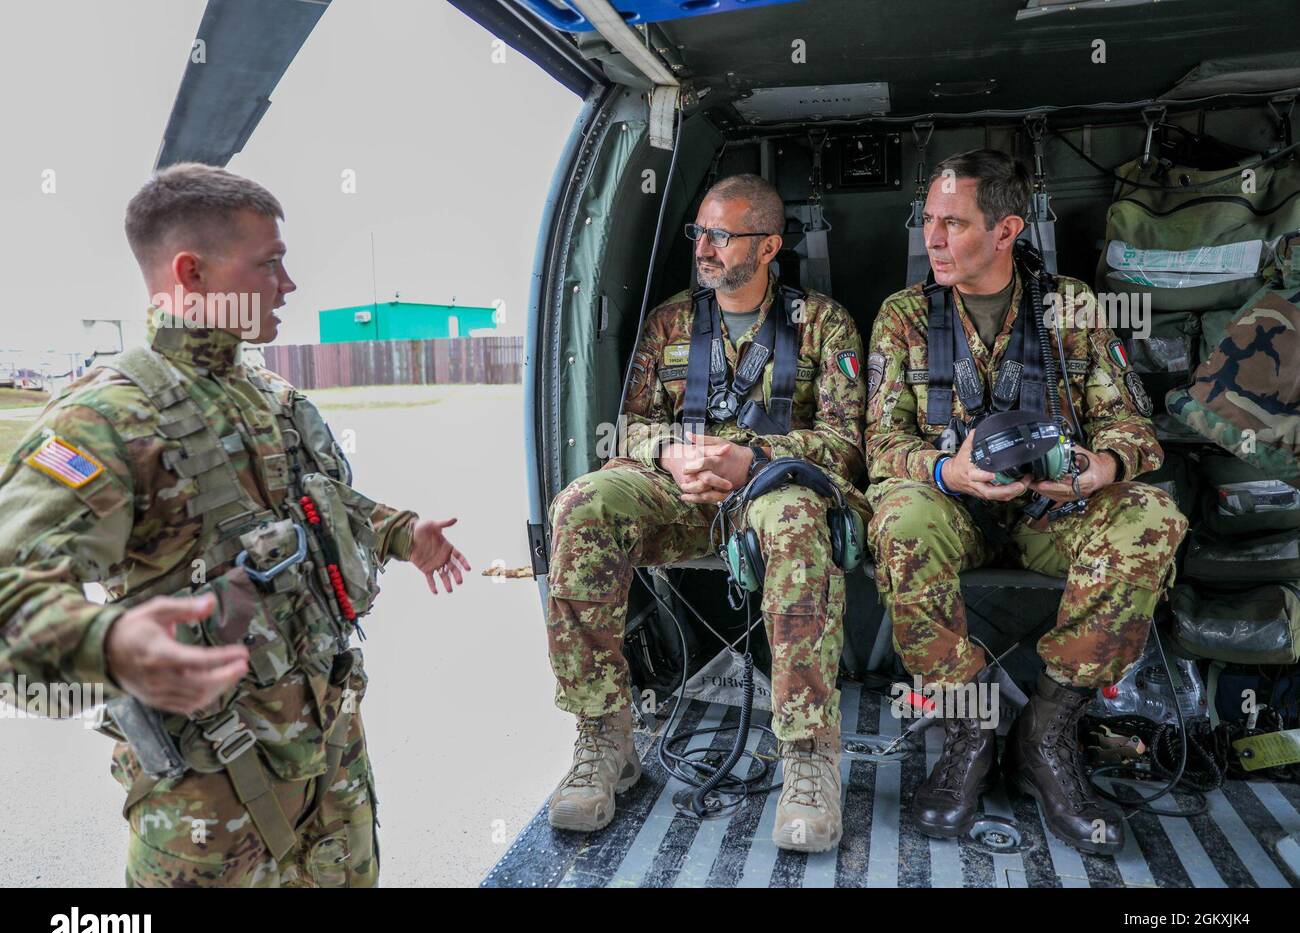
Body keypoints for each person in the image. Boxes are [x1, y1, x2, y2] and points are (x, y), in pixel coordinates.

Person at [0, 163, 469, 886]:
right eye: (271, 263)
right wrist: (112, 644)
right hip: (210, 806)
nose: (289, 285)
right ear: (193, 272)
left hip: (330, 758)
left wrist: (404, 533)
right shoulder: (105, 417)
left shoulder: (270, 396)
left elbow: (316, 507)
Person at [863, 149, 1187, 854]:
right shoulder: (906, 315)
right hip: (953, 510)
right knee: (900, 517)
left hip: (1053, 508)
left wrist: (1100, 465)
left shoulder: (1068, 306)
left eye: (954, 223)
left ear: (1007, 229)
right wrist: (948, 470)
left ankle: (1047, 731)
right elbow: (879, 446)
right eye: (929, 222)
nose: (934, 240)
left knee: (1151, 517)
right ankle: (971, 729)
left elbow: (1135, 429)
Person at [544, 173, 867, 852]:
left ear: (770, 244)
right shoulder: (669, 321)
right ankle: (606, 734)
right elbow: (630, 426)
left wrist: (747, 458)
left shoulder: (824, 322)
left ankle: (808, 754)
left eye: (723, 234)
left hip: (771, 492)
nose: (706, 248)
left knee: (798, 520)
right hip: (680, 493)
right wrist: (670, 454)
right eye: (700, 232)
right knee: (581, 506)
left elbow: (846, 442)